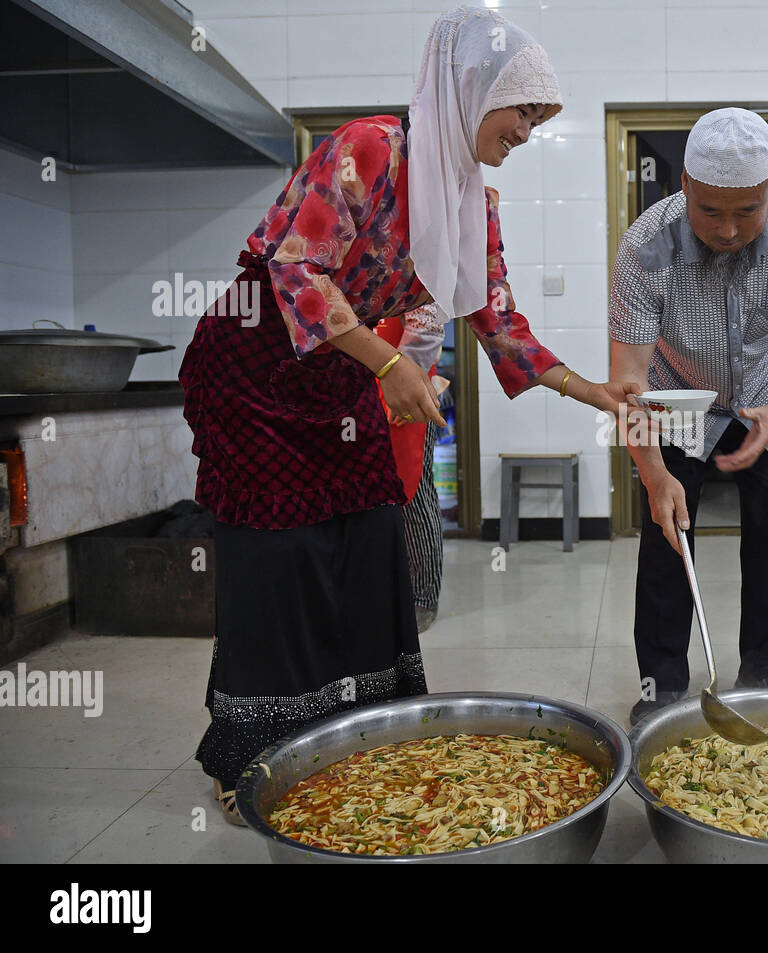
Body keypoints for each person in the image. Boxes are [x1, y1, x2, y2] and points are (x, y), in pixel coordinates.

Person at [179, 6, 634, 823]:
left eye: (539, 116)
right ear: (468, 90)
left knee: (368, 540)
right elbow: (296, 269)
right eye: (521, 109)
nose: (529, 130)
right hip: (255, 364)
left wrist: (591, 390)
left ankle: (349, 728)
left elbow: (498, 322)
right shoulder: (371, 149)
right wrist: (388, 364)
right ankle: (247, 753)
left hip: (336, 375)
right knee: (279, 556)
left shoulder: (473, 203)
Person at [608, 107, 768, 725]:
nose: (729, 230)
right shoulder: (645, 247)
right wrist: (654, 477)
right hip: (677, 402)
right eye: (711, 211)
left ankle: (764, 673)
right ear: (684, 186)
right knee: (667, 543)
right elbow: (628, 381)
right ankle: (662, 688)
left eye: (747, 211)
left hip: (765, 398)